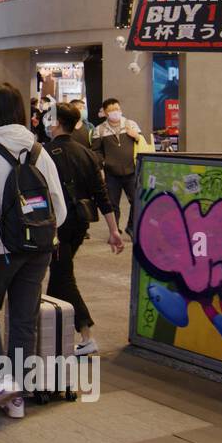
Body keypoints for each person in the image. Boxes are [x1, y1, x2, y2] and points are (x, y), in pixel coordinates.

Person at [0, 82, 67, 420]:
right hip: (39, 249)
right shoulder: (40, 152)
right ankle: (16, 397)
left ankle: (2, 379)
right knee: (24, 319)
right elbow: (59, 211)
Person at [45, 103, 125, 355]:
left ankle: (87, 335)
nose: (47, 122)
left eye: (50, 118)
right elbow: (103, 196)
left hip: (56, 226)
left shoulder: (45, 154)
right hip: (80, 224)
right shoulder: (87, 153)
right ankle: (51, 336)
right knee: (59, 276)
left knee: (63, 277)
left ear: (57, 123)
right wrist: (114, 230)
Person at [91, 97, 142, 237]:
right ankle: (115, 230)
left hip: (132, 171)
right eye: (112, 110)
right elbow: (96, 151)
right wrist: (103, 164)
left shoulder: (131, 124)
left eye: (117, 109)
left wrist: (136, 136)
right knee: (113, 204)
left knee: (137, 201)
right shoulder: (99, 130)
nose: (115, 112)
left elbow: (142, 143)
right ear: (106, 112)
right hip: (111, 174)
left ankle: (131, 227)